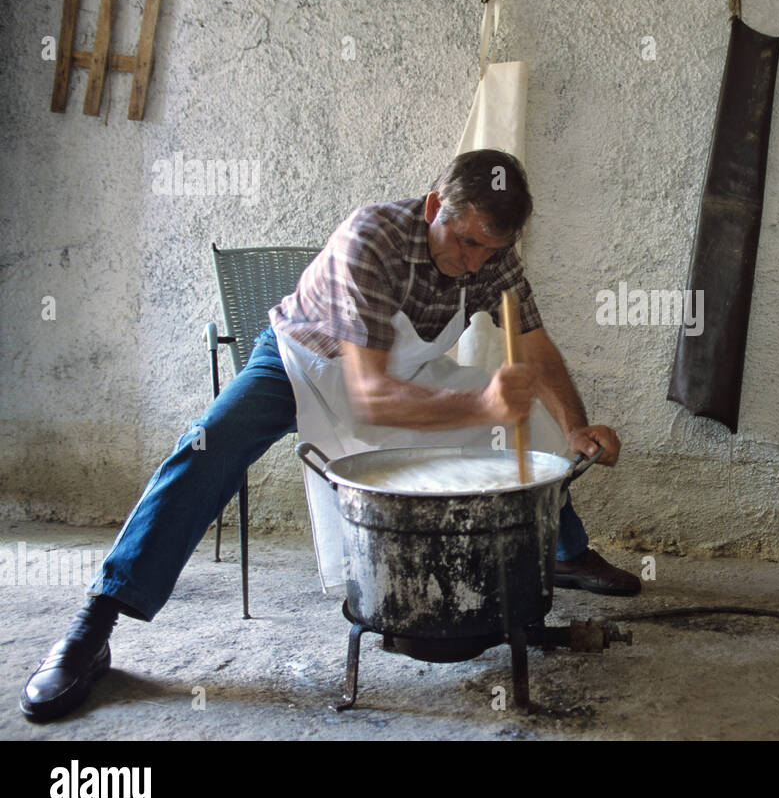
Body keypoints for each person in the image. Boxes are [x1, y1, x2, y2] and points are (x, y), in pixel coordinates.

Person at [20, 149, 639, 723]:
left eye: (490, 249)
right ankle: (92, 627)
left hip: (404, 373)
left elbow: (532, 342)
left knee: (532, 423)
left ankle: (563, 551)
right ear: (433, 209)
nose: (475, 261)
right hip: (303, 361)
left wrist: (576, 423)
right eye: (466, 242)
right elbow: (370, 400)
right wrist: (479, 405)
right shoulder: (372, 238)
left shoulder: (492, 253)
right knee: (209, 445)